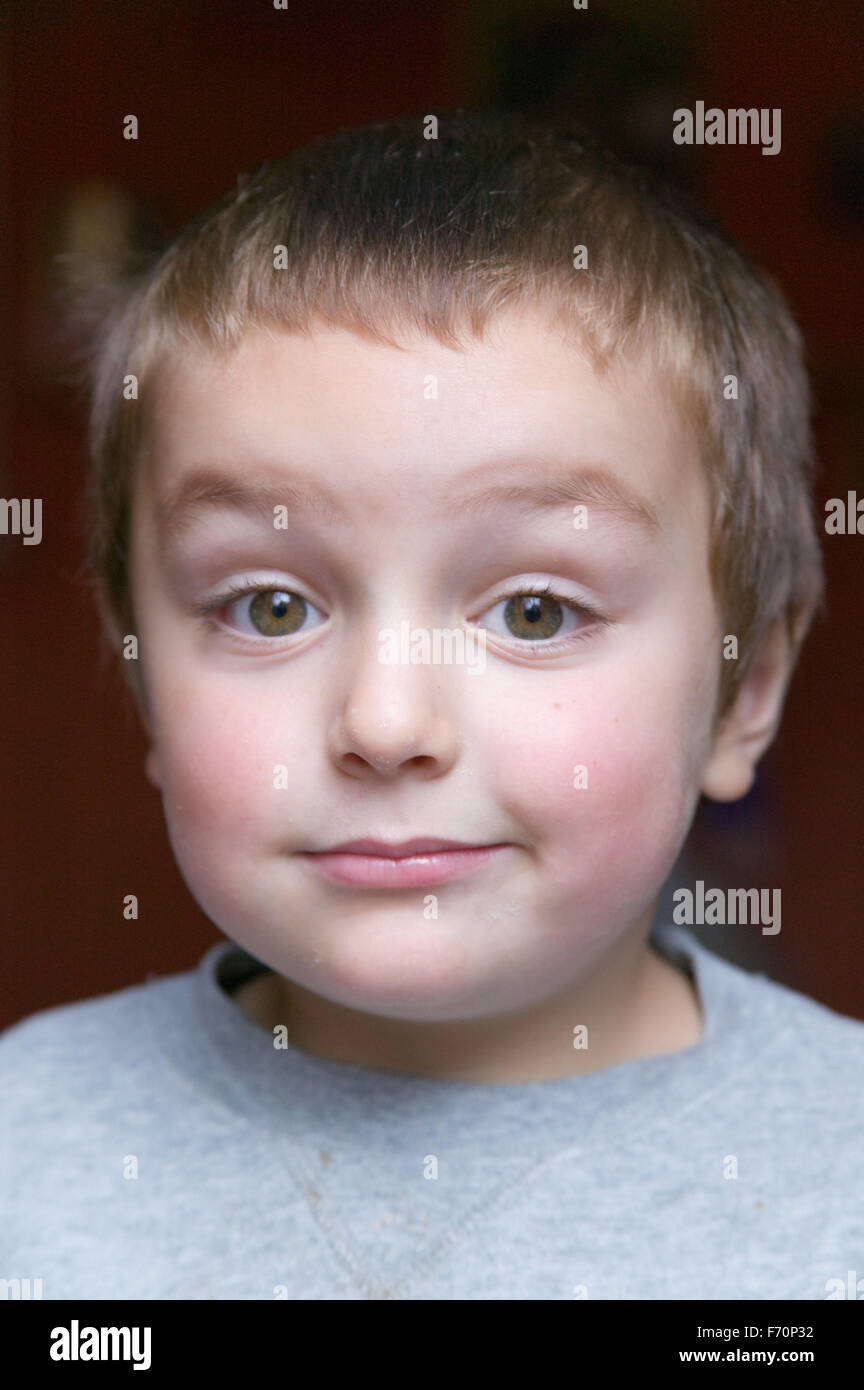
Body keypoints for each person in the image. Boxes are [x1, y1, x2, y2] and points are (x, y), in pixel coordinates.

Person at [3, 111, 861, 1301]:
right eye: (268, 607)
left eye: (535, 613)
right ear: (144, 671)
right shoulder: (26, 1158)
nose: (388, 724)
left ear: (744, 692)